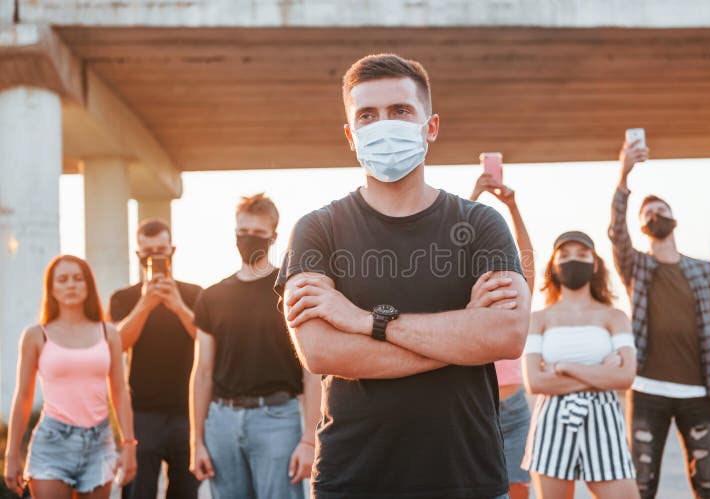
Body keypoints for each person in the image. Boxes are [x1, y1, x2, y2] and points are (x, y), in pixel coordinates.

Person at [275, 53, 530, 499]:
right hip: (352, 480)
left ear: (430, 127)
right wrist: (462, 338)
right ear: (351, 136)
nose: (384, 125)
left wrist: (364, 321)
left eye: (400, 111)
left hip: (468, 479)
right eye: (367, 115)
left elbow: (506, 336)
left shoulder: (481, 224)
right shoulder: (317, 229)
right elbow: (321, 351)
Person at [611, 139, 710, 498]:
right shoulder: (636, 266)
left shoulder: (706, 271)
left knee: (707, 486)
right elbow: (617, 232)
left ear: (674, 220)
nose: (654, 214)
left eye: (661, 209)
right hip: (647, 390)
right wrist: (624, 175)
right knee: (641, 487)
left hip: (698, 393)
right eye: (648, 213)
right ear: (643, 227)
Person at [189, 193, 321, 499]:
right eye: (243, 231)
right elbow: (202, 372)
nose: (249, 238)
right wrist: (197, 441)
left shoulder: (289, 291)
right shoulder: (211, 297)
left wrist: (309, 440)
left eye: (258, 233)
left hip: (277, 420)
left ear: (273, 236)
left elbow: (311, 371)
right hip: (221, 422)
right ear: (235, 232)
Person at [3, 255, 137, 499]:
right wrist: (12, 454)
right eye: (63, 279)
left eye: (78, 278)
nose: (71, 285)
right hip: (52, 442)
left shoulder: (109, 333)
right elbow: (23, 396)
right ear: (52, 288)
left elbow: (119, 391)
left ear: (88, 285)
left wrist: (129, 445)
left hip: (99, 443)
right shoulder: (35, 335)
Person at [520, 231, 638, 499]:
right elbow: (535, 382)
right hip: (553, 419)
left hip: (604, 418)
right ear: (553, 265)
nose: (573, 260)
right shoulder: (539, 319)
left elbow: (625, 377)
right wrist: (603, 373)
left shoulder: (615, 317)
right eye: (564, 255)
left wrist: (565, 367)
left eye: (583, 255)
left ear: (595, 265)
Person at [110, 219, 202, 499]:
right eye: (148, 252)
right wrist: (145, 304)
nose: (154, 258)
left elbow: (207, 340)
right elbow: (116, 345)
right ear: (138, 255)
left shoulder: (194, 293)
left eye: (161, 251)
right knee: (138, 492)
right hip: (141, 414)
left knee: (186, 493)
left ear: (172, 251)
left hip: (187, 413)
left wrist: (178, 305)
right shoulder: (123, 297)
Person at [470, 173, 535, 499]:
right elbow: (449, 240)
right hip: (475, 409)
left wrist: (513, 206)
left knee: (518, 489)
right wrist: (473, 197)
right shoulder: (463, 300)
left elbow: (527, 257)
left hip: (515, 410)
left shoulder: (515, 299)